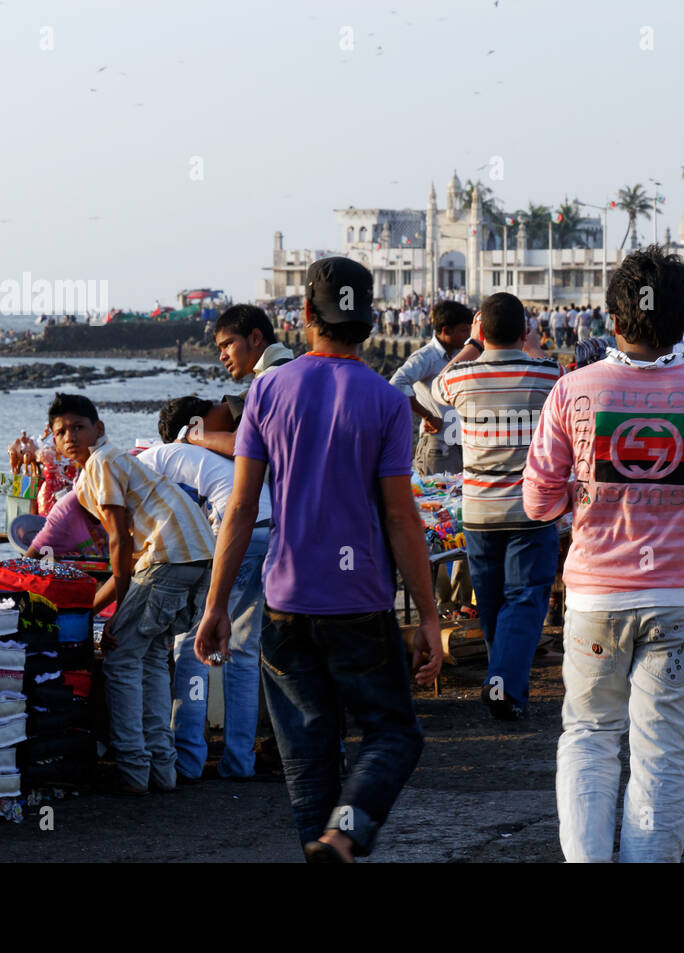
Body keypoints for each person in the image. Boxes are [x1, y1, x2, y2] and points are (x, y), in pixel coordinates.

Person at [193, 256, 442, 864]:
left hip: (285, 602)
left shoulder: (269, 390)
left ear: (305, 315)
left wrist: (216, 604)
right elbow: (401, 516)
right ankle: (345, 835)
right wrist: (430, 615)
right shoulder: (384, 401)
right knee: (393, 734)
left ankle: (327, 843)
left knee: (308, 761)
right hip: (357, 605)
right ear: (371, 319)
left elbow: (242, 509)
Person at [523, 245, 684, 862]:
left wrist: (586, 489)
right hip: (682, 601)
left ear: (612, 318)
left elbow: (538, 502)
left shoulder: (573, 392)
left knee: (589, 735)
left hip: (593, 599)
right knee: (665, 751)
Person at [49, 393, 217, 796]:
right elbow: (127, 559)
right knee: (153, 658)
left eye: (78, 427)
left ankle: (131, 771)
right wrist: (89, 609)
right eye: (61, 431)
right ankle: (162, 771)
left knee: (121, 657)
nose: (70, 436)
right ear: (52, 441)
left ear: (99, 430)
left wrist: (116, 613)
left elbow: (119, 544)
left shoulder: (101, 463)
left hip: (168, 554)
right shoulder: (113, 462)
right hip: (195, 556)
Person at [432, 292, 562, 721]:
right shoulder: (546, 374)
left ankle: (503, 682)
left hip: (480, 511)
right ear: (524, 330)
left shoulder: (462, 378)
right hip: (530, 509)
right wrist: (532, 344)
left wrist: (471, 343)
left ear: (481, 329)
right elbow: (556, 374)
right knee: (524, 599)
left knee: (490, 603)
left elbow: (435, 390)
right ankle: (505, 683)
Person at [136, 397, 275, 782]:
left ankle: (188, 761)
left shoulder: (158, 458)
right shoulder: (207, 453)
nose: (227, 417)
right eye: (218, 411)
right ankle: (239, 761)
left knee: (191, 646)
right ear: (196, 422)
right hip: (268, 530)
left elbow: (175, 529)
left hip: (235, 533)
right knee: (244, 652)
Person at [389, 300, 472, 477]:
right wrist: (427, 415)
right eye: (464, 330)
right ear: (446, 330)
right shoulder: (427, 356)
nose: (468, 335)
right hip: (438, 446)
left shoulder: (459, 355)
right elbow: (397, 383)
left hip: (459, 444)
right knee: (436, 501)